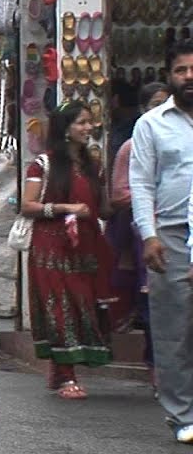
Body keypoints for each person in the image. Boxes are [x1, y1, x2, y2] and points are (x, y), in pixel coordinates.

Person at [20, 100, 115, 401]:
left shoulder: (92, 166)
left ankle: (59, 368)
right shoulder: (43, 165)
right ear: (66, 128)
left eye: (90, 123)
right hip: (51, 246)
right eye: (82, 123)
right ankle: (67, 376)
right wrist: (65, 208)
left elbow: (100, 207)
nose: (89, 128)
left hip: (84, 246)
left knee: (82, 304)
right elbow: (27, 206)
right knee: (59, 307)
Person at [130, 39, 193, 443]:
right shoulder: (151, 124)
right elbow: (140, 184)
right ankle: (182, 416)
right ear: (169, 77)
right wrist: (149, 236)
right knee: (173, 331)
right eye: (182, 70)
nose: (190, 77)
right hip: (170, 237)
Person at [108, 81, 169, 384]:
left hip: (182, 230)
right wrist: (153, 197)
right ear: (144, 109)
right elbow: (117, 196)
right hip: (147, 234)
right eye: (155, 104)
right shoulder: (131, 147)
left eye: (165, 103)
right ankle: (157, 370)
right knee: (153, 307)